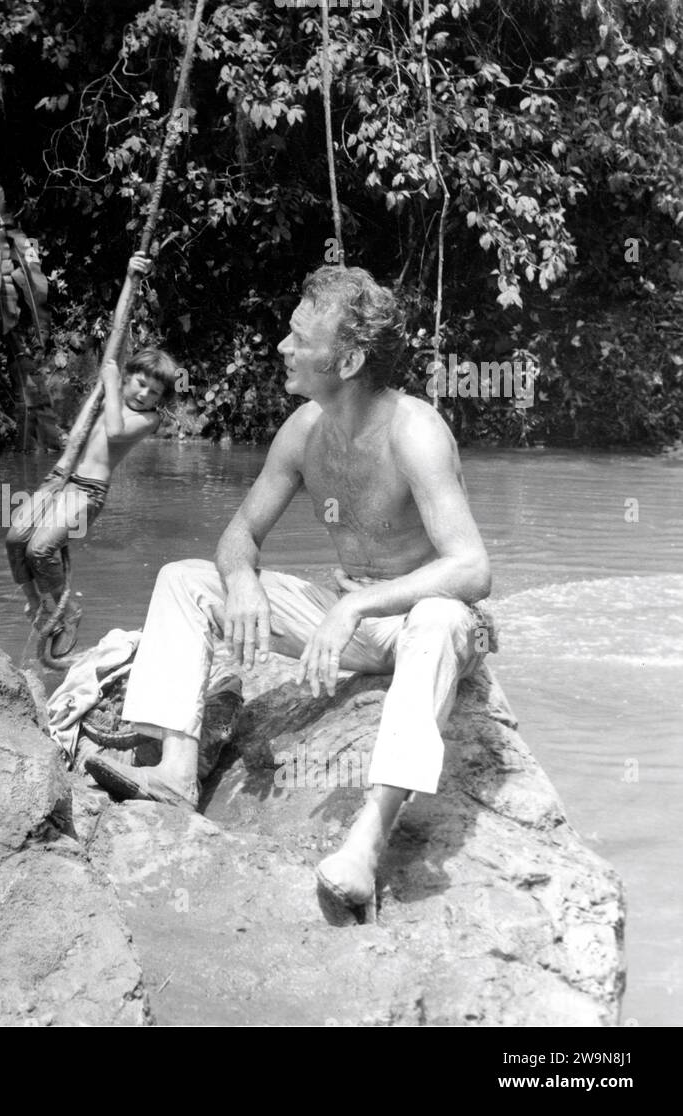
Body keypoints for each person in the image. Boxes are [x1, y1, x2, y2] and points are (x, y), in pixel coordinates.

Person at [86, 264, 495, 920]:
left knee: (442, 619)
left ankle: (366, 842)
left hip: (417, 615)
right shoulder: (305, 429)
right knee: (185, 580)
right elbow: (239, 535)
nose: (282, 347)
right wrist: (243, 580)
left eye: (300, 337)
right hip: (347, 618)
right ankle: (175, 769)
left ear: (350, 358)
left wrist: (358, 604)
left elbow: (473, 568)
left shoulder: (414, 432)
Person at [6, 260, 179, 655]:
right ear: (131, 375)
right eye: (140, 383)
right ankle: (38, 604)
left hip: (89, 492)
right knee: (16, 538)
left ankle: (68, 611)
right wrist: (131, 277)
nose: (144, 395)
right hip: (60, 477)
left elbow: (115, 430)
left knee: (41, 549)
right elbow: (119, 328)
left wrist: (112, 382)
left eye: (154, 393)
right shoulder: (114, 386)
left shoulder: (145, 420)